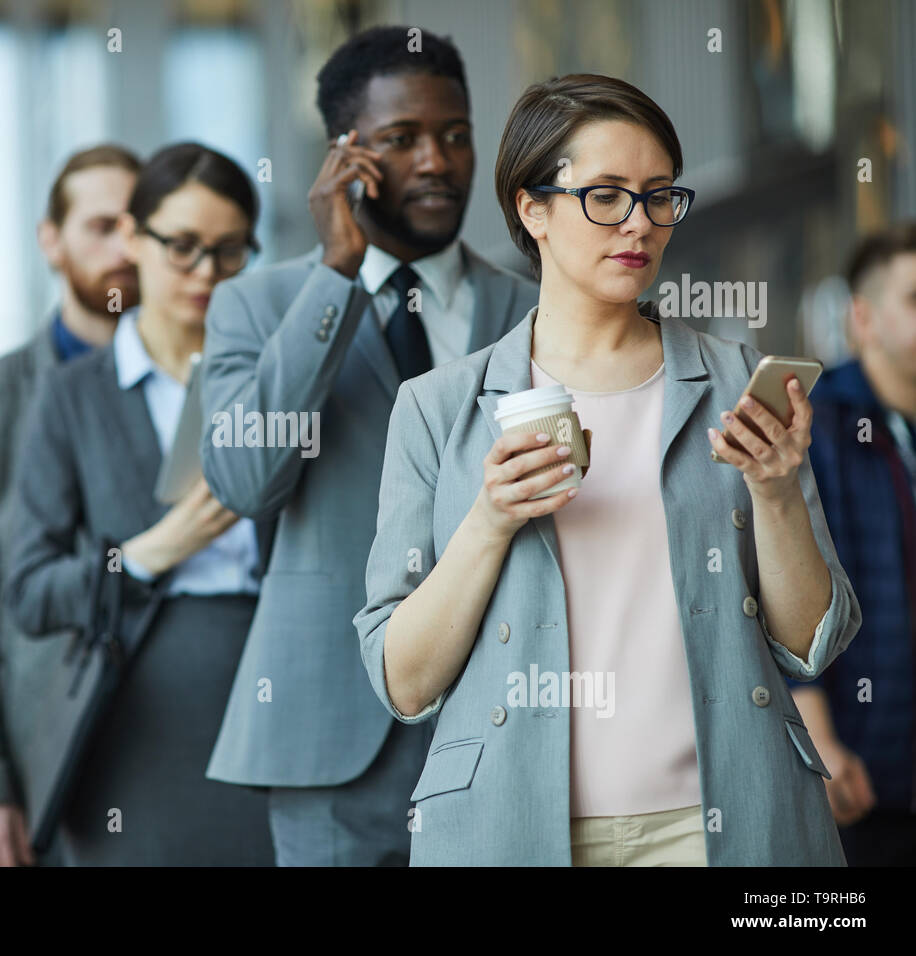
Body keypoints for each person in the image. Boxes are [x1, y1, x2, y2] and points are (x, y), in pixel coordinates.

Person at [354, 73, 863, 866]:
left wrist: (774, 493)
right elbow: (406, 684)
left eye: (659, 196)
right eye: (607, 196)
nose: (640, 224)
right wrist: (489, 521)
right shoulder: (436, 409)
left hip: (724, 821)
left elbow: (813, 644)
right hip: (509, 828)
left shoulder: (738, 383)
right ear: (534, 209)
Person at [196, 26, 536, 866]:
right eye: (402, 139)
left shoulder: (536, 311)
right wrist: (335, 277)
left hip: (510, 716)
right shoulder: (260, 306)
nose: (437, 161)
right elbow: (244, 479)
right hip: (330, 735)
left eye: (455, 135)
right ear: (346, 155)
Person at [5, 142, 275, 866]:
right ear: (133, 238)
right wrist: (147, 554)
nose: (205, 273)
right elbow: (28, 593)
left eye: (229, 251)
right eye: (181, 246)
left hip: (273, 704)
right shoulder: (73, 397)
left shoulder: (280, 385)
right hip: (132, 726)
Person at [0, 144, 140, 867]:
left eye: (140, 227)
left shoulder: (212, 388)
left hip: (187, 752)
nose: (124, 248)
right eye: (101, 226)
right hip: (41, 763)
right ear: (50, 240)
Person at [790, 224, 916, 865]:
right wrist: (822, 741)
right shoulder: (819, 429)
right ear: (862, 318)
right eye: (915, 300)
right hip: (864, 773)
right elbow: (791, 592)